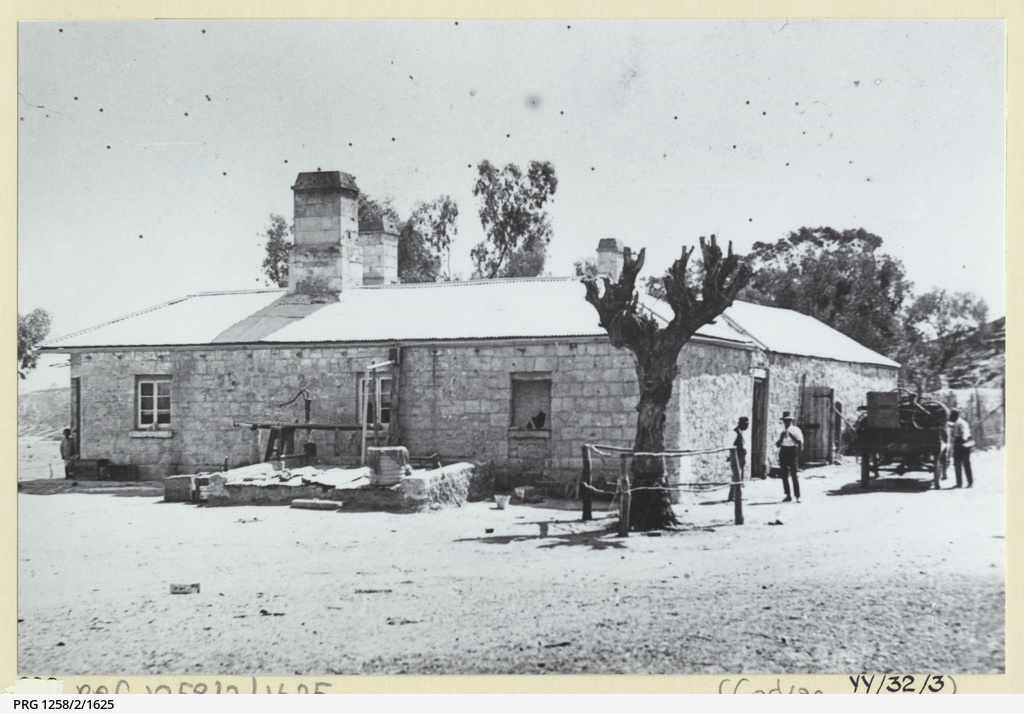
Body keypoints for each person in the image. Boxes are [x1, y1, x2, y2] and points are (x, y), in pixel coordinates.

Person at [775, 411, 803, 502]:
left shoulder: (796, 430)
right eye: (785, 420)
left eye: (789, 420)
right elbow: (777, 445)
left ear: (791, 420)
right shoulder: (781, 431)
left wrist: (792, 437)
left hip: (792, 451)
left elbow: (800, 442)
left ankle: (797, 496)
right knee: (784, 474)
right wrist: (782, 437)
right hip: (783, 451)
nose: (787, 422)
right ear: (783, 421)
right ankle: (787, 495)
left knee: (794, 474)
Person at [949, 409, 975, 488]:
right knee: (957, 464)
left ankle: (970, 483)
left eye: (952, 415)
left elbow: (965, 433)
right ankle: (959, 483)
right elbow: (950, 425)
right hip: (958, 442)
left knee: (965, 463)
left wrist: (963, 442)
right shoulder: (957, 422)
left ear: (956, 415)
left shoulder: (961, 422)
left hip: (963, 443)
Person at [727, 416, 749, 502]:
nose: (747, 426)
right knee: (736, 477)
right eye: (746, 424)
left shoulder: (741, 432)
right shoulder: (735, 433)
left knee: (739, 477)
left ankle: (737, 496)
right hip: (737, 457)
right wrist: (731, 456)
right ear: (742, 424)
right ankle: (732, 496)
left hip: (741, 457)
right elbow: (730, 445)